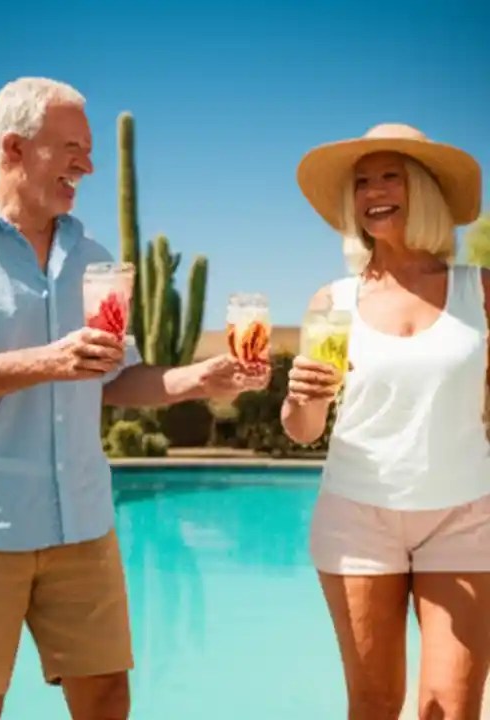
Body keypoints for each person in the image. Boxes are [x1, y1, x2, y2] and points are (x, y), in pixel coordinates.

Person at [0, 77, 270, 720]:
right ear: (14, 148)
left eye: (90, 152)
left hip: (82, 521)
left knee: (108, 698)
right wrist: (49, 360)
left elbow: (116, 376)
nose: (88, 167)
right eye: (72, 149)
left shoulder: (92, 257)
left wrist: (202, 378)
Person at [285, 124, 490, 720]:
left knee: (452, 706)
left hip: (464, 517)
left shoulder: (479, 291)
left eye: (389, 177)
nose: (373, 192)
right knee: (375, 702)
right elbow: (304, 429)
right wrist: (302, 398)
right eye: (362, 182)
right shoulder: (334, 301)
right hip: (358, 519)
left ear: (421, 189)